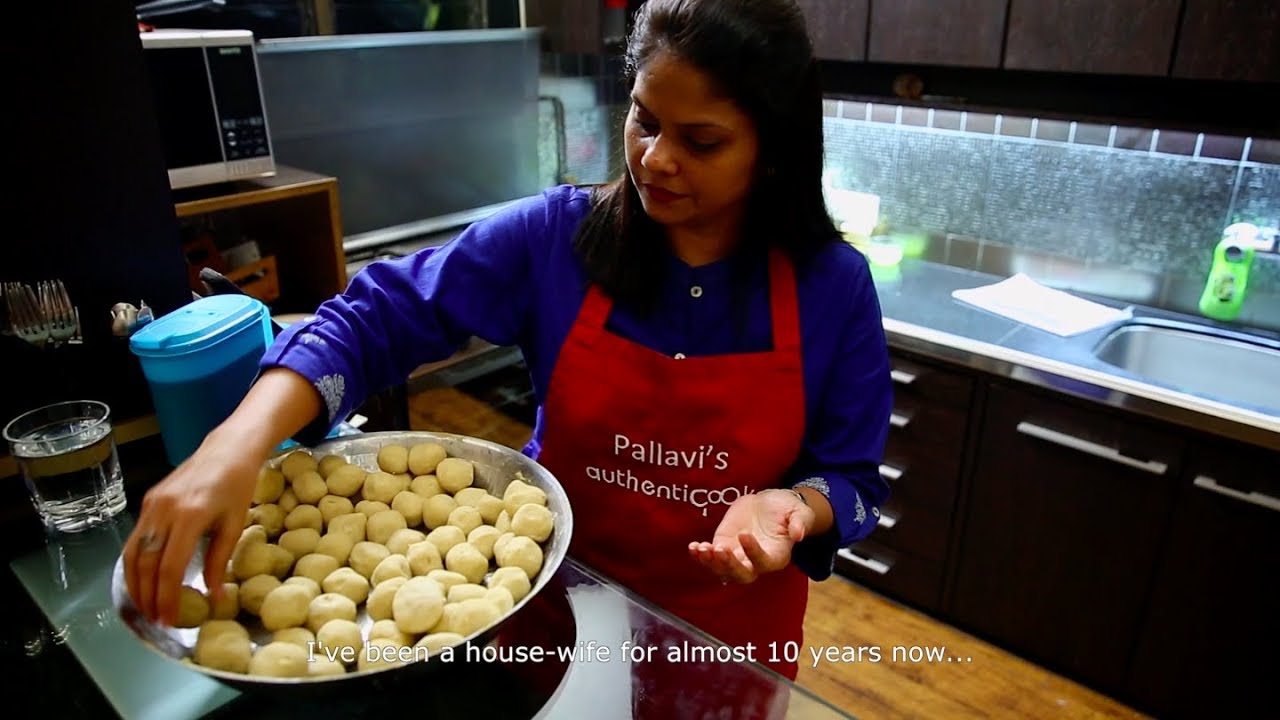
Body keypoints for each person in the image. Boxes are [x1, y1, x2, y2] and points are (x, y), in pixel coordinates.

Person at [123, 0, 892, 683]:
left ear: (773, 148)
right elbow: (372, 318)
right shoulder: (556, 240)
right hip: (549, 620)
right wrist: (233, 447)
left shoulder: (832, 286)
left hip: (725, 648)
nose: (656, 158)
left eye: (702, 140)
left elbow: (857, 484)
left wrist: (796, 508)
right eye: (644, 119)